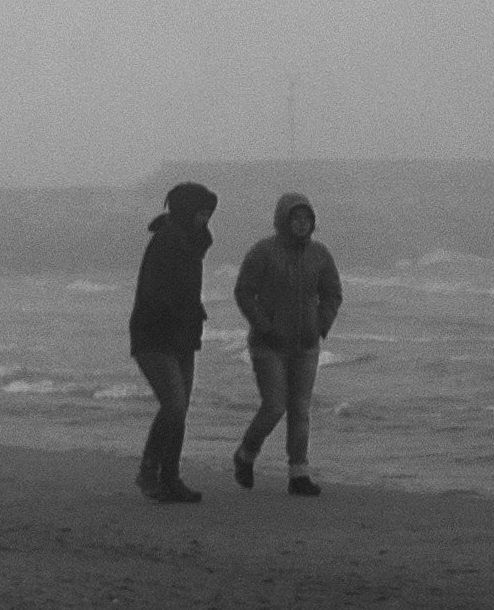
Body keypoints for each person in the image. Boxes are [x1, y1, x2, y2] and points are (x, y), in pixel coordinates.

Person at [229, 191, 342, 496]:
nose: (302, 224)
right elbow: (243, 292)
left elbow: (333, 294)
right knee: (275, 406)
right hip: (269, 344)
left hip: (306, 345)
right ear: (284, 219)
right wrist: (264, 327)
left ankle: (298, 473)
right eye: (296, 218)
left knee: (301, 408)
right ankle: (245, 455)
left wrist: (320, 325)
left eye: (307, 219)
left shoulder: (320, 255)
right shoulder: (263, 252)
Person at [126, 180, 215, 504]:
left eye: (209, 214)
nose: (205, 220)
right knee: (175, 405)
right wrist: (179, 312)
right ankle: (151, 473)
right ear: (186, 211)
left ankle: (169, 476)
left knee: (178, 409)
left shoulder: (190, 243)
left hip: (183, 336)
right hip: (155, 335)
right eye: (201, 212)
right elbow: (155, 291)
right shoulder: (167, 241)